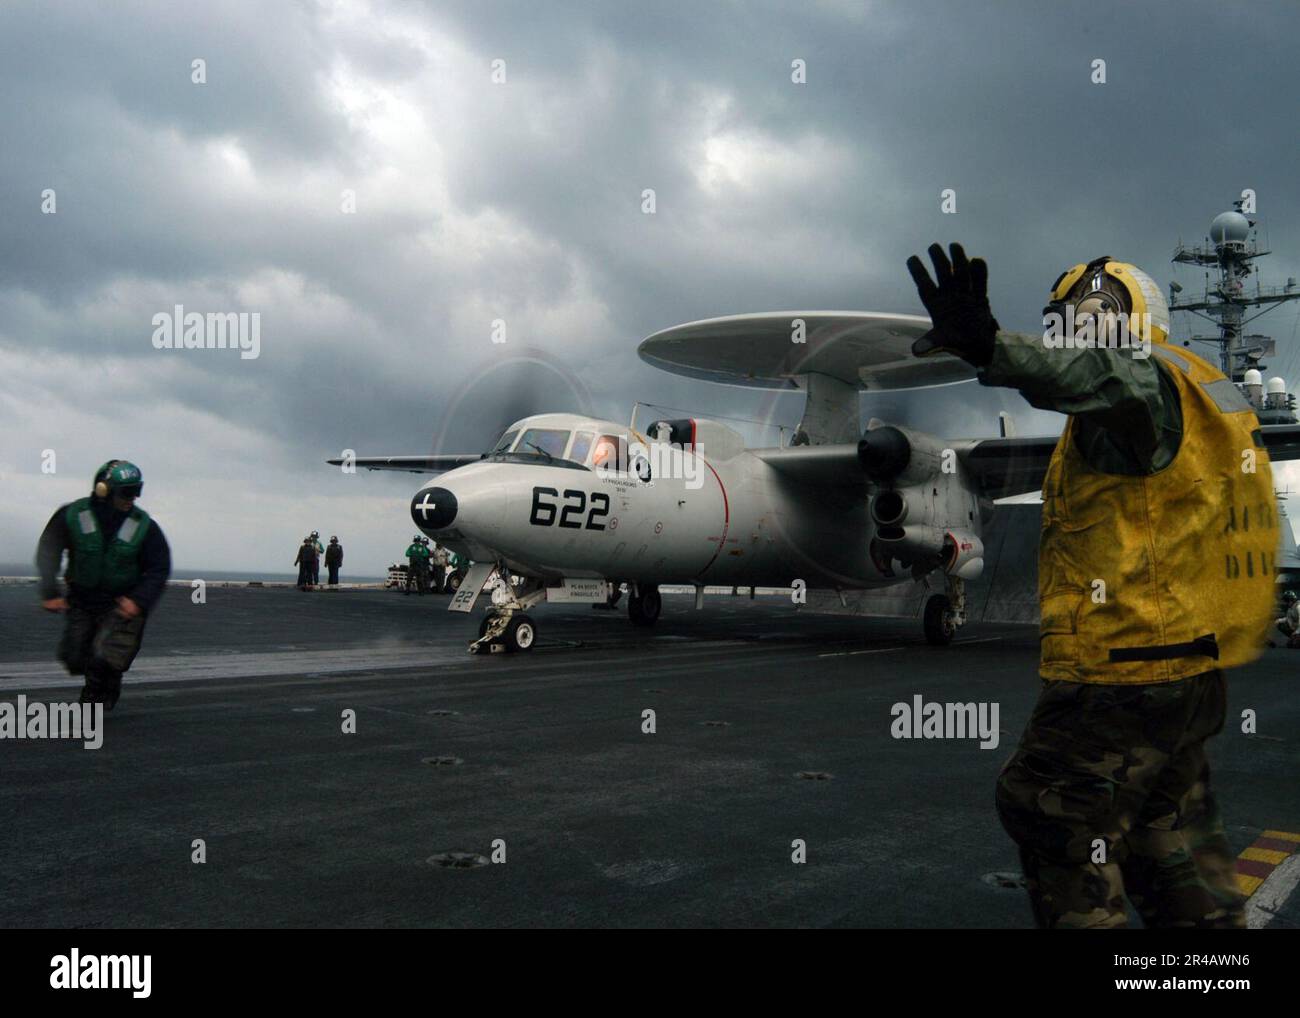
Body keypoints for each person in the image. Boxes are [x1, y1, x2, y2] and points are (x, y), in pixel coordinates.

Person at [907, 243, 1277, 929]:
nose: (1068, 335)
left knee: (1048, 810)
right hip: (1192, 666)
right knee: (1169, 831)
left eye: (1081, 319)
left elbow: (1092, 371)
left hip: (1126, 668)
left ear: (1121, 318)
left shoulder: (1141, 382)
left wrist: (991, 347)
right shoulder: (1201, 387)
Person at [35, 460, 172, 709]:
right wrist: (49, 591)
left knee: (105, 657)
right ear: (103, 490)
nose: (133, 498)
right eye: (127, 492)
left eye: (137, 490)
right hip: (82, 600)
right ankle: (107, 679)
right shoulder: (74, 516)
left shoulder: (143, 526)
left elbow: (158, 568)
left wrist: (139, 601)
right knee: (74, 658)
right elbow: (49, 550)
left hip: (121, 605)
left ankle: (93, 700)